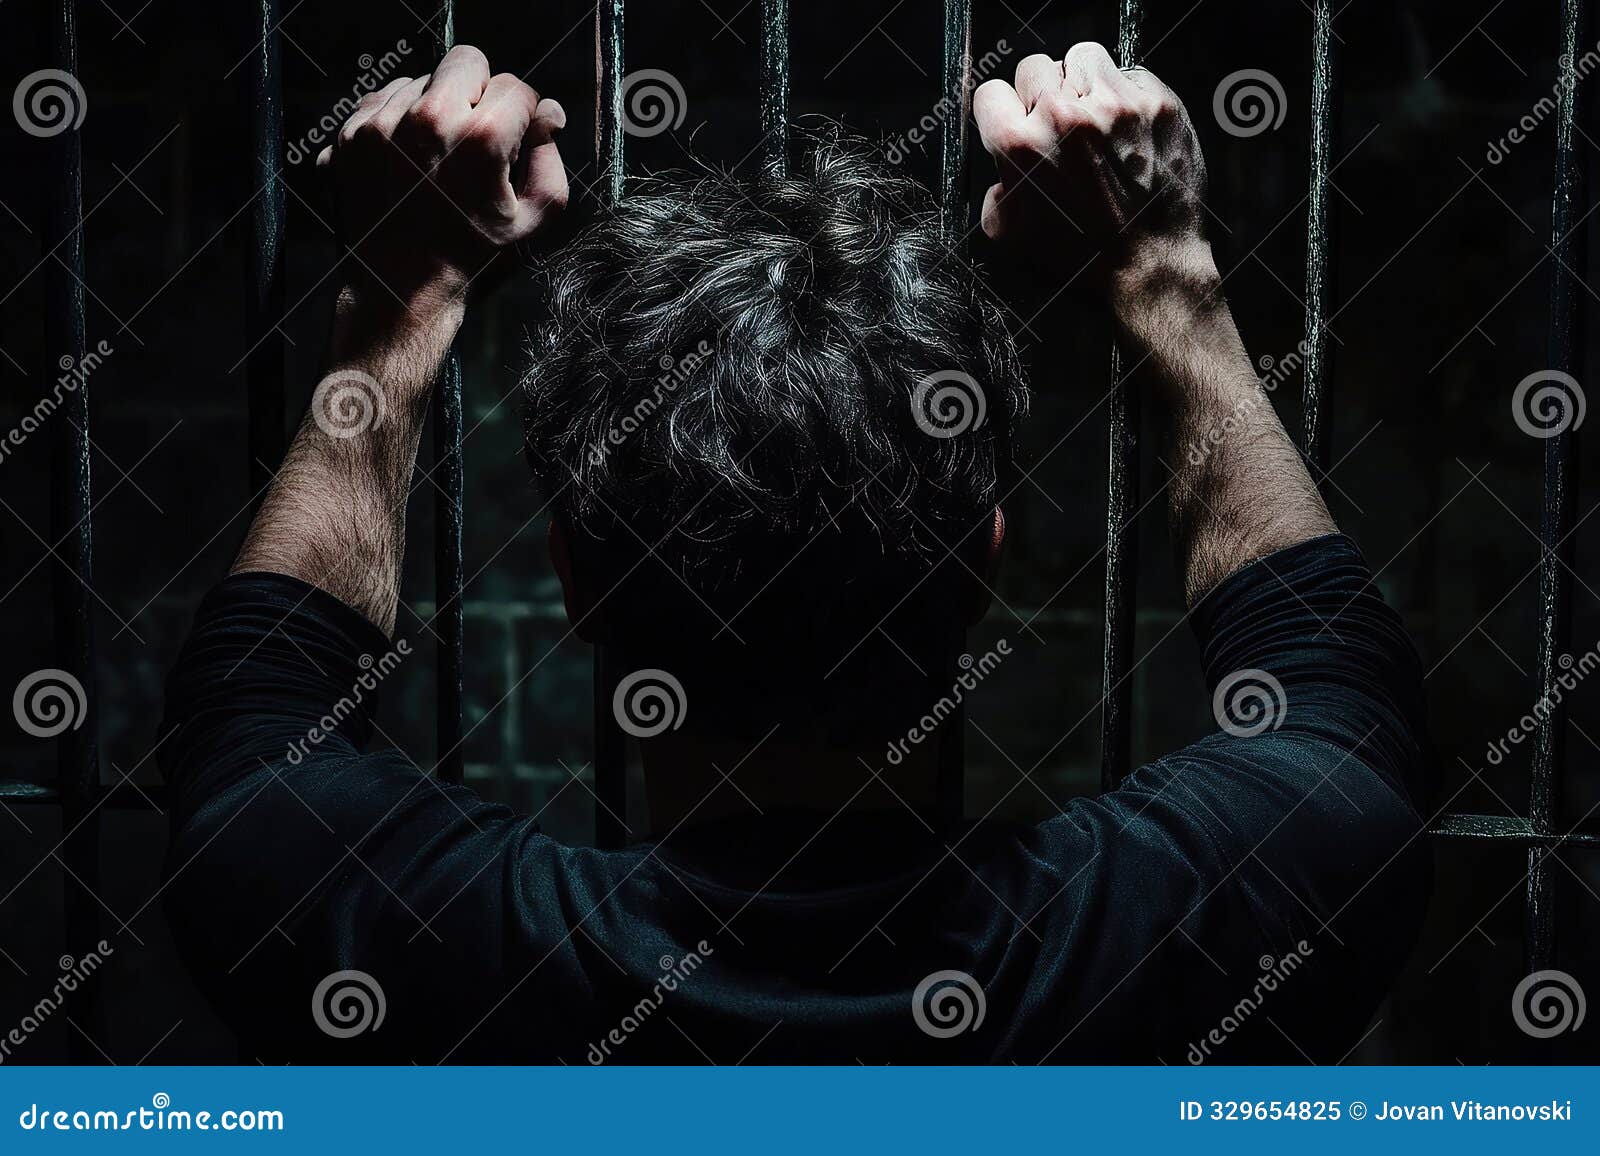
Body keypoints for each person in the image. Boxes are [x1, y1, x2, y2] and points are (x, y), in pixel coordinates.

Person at [159, 42, 1430, 1062]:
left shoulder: (423, 961)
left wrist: (404, 297)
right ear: (986, 561)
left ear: (574, 577)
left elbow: (254, 711)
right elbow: (1337, 707)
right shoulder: (1180, 942)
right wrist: (1167, 275)